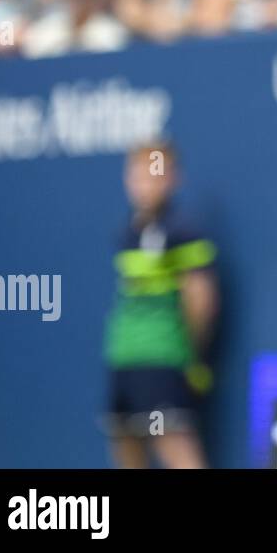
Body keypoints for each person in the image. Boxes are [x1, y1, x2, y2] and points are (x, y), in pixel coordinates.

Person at [103, 139, 218, 469]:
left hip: (164, 360)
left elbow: (201, 300)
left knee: (175, 446)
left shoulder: (184, 230)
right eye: (138, 173)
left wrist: (190, 355)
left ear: (173, 178)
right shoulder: (128, 231)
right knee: (125, 442)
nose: (145, 183)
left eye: (155, 173)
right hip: (125, 357)